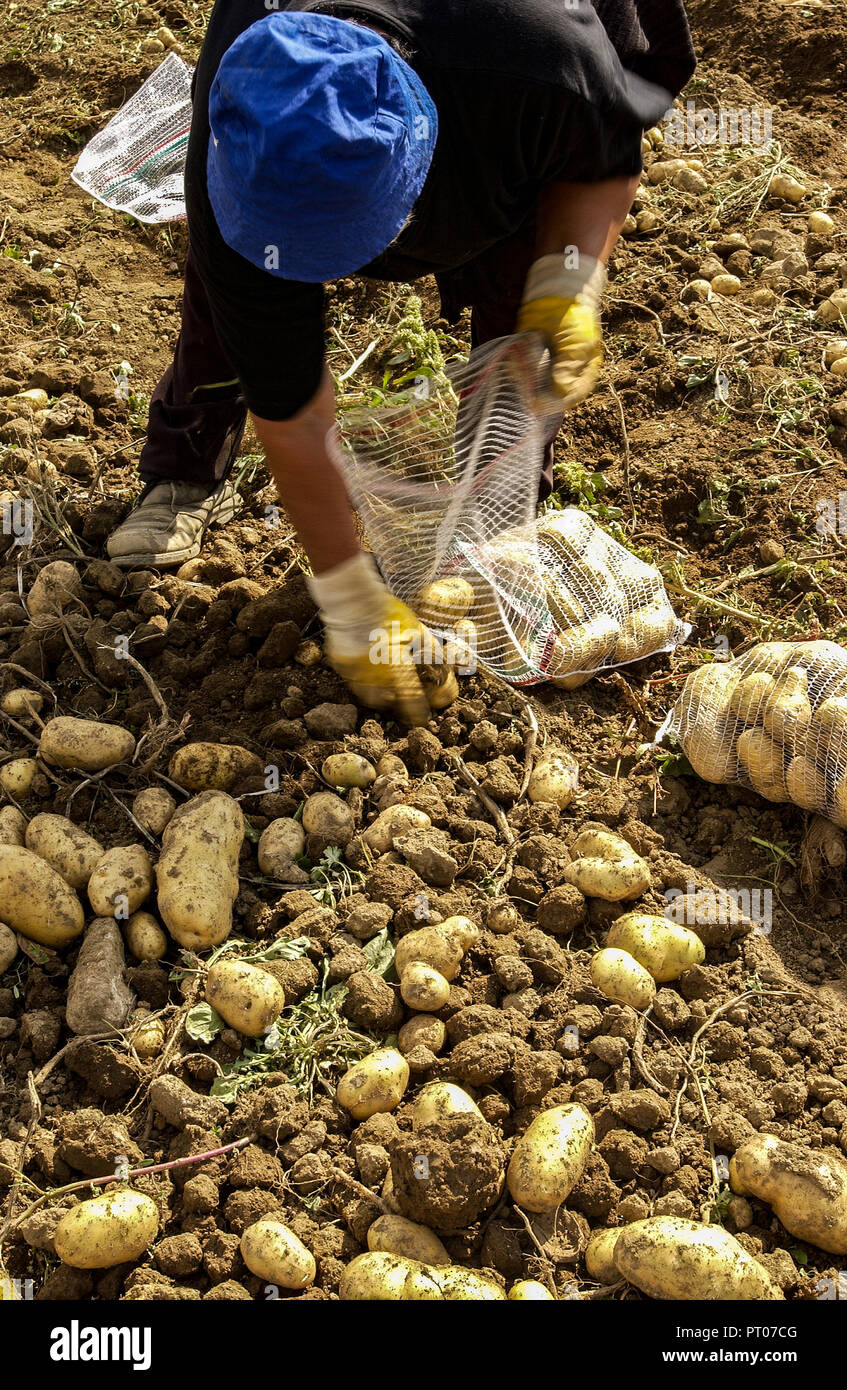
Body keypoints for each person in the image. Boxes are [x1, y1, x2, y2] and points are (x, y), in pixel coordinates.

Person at [107, 0, 696, 723]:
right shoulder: (245, 110)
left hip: (504, 70)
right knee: (232, 285)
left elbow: (602, 158)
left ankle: (495, 531)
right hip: (320, 124)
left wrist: (571, 280)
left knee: (524, 300)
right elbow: (290, 410)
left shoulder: (543, 64)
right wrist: (347, 593)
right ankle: (186, 462)